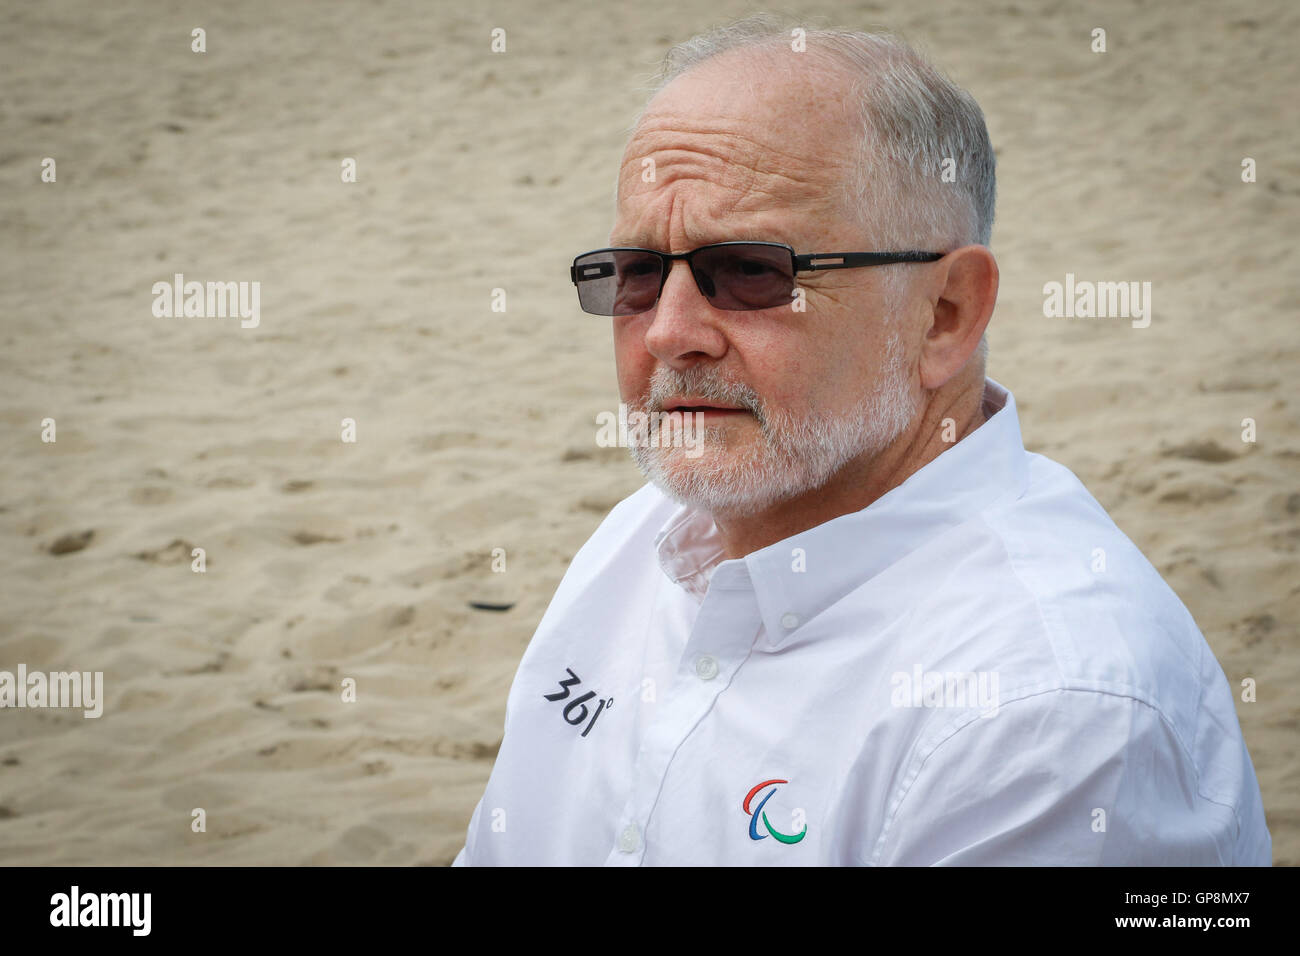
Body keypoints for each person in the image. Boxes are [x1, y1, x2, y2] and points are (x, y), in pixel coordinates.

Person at [452, 18, 1271, 865]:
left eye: (750, 272)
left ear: (944, 315)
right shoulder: (638, 542)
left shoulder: (1048, 715)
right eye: (635, 273)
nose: (668, 332)